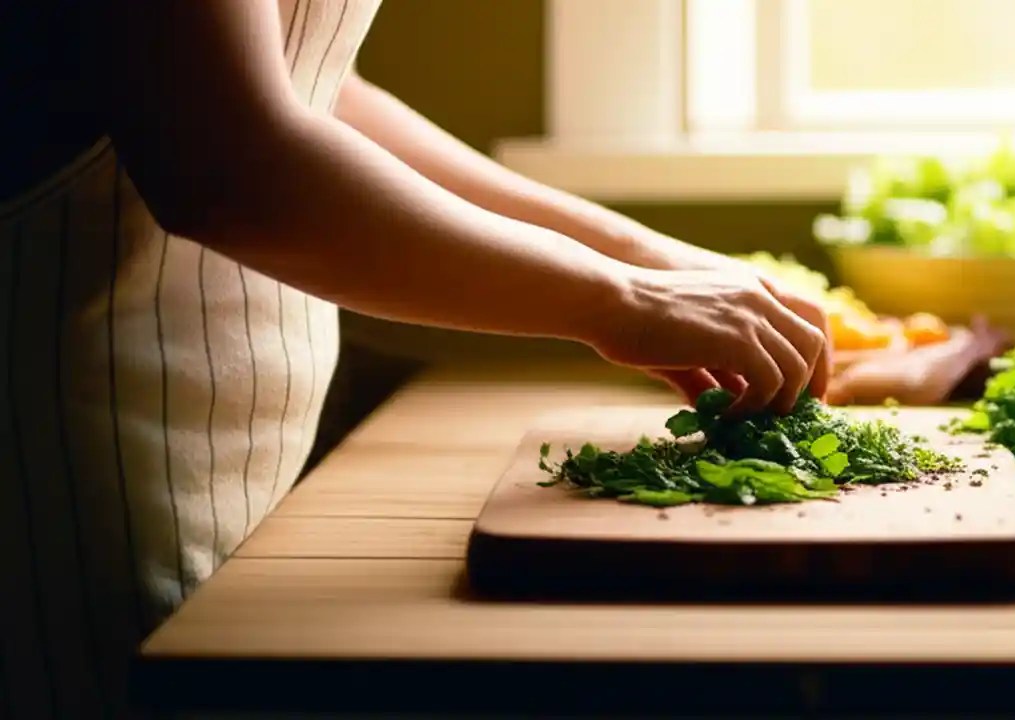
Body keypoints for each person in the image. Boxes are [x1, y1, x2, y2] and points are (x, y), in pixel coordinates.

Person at [0, 1, 831, 717]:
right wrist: (620, 297)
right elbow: (225, 160)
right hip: (70, 466)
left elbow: (322, 91)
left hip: (229, 454)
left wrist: (637, 255)